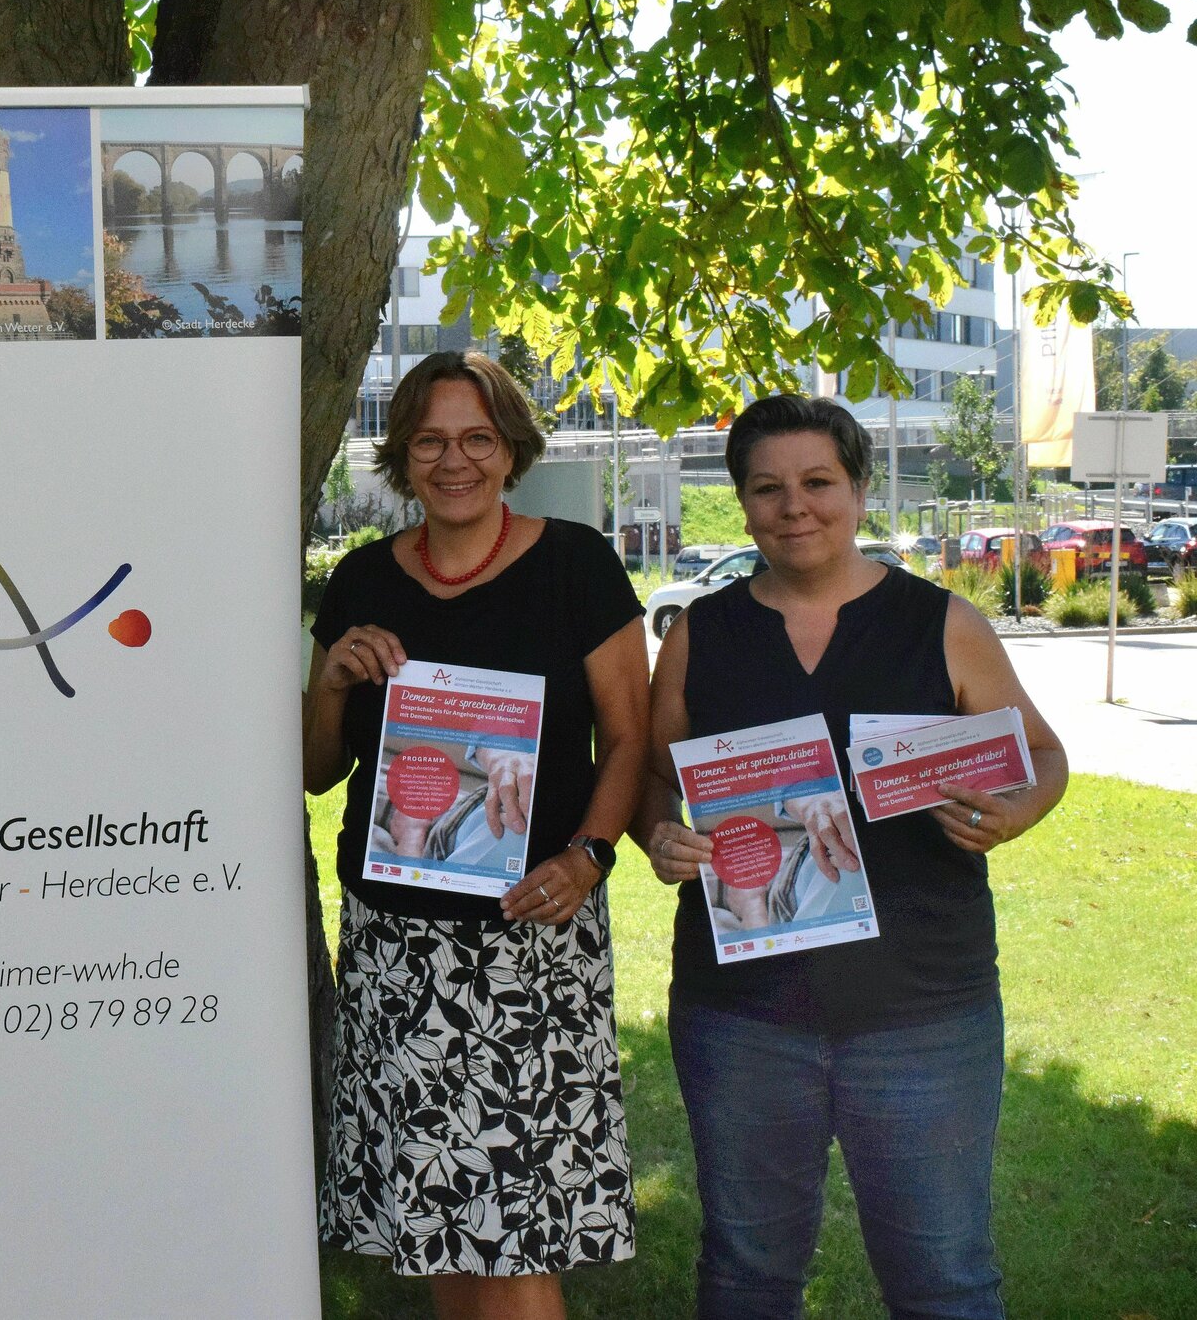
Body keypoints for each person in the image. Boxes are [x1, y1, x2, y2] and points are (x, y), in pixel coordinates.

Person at [636, 394, 1068, 1320]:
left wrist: (1012, 814)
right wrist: (660, 834)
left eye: (818, 482)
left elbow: (1044, 753)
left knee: (945, 1279)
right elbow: (647, 772)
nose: (796, 506)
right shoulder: (698, 634)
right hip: (742, 1012)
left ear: (860, 490)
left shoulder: (942, 623)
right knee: (746, 1275)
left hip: (923, 1011)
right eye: (769, 488)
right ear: (743, 503)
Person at [306, 350, 648, 1320]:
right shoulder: (363, 579)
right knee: (441, 1220)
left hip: (528, 936)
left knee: (510, 1226)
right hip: (395, 944)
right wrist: (330, 683)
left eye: (474, 440)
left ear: (509, 452)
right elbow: (315, 769)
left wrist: (588, 854)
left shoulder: (575, 563)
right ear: (402, 457)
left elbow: (628, 737)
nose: (451, 461)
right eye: (428, 441)